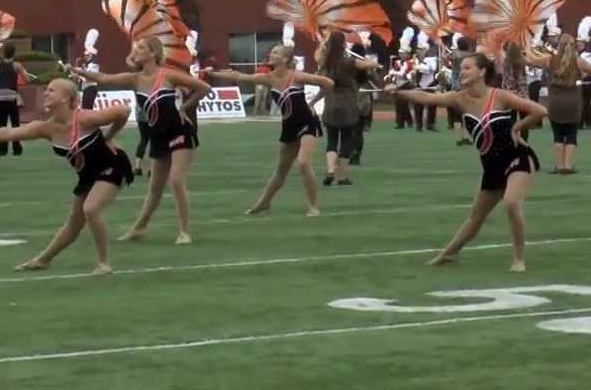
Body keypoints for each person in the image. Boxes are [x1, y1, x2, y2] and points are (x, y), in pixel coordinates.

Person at [386, 53, 546, 272]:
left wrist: (517, 128)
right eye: (461, 68)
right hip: (492, 167)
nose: (462, 71)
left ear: (482, 72)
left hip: (517, 158)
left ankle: (519, 259)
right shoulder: (458, 98)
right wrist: (400, 93)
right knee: (475, 218)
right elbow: (427, 98)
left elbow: (539, 111)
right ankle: (448, 254)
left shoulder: (499, 96)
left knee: (511, 202)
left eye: (468, 68)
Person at [0, 79, 133, 274]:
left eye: (52, 91)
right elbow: (12, 132)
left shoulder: (83, 119)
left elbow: (123, 111)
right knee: (74, 222)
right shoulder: (46, 127)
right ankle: (43, 260)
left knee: (91, 208)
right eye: (46, 90)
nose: (46, 93)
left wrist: (109, 135)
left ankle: (104, 263)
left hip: (112, 164)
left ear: (66, 98)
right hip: (87, 174)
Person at [69, 37, 210, 245]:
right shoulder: (134, 79)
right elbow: (104, 78)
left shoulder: (168, 75)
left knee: (177, 180)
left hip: (179, 131)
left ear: (153, 53)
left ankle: (184, 231)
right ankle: (139, 228)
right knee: (155, 188)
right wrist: (79, 71)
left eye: (141, 47)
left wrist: (183, 107)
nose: (137, 50)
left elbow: (204, 88)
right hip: (157, 135)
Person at [210, 45, 334, 217]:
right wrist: (213, 73)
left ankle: (313, 206)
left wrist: (312, 104)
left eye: (275, 53)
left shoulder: (297, 76)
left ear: (285, 59)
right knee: (281, 169)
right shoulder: (268, 78)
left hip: (307, 122)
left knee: (303, 163)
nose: (271, 54)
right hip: (289, 126)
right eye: (272, 52)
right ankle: (263, 203)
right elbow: (239, 76)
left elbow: (328, 83)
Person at [526, 33, 591, 175]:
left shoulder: (550, 59)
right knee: (571, 134)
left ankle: (559, 166)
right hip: (573, 102)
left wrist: (528, 48)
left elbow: (531, 60)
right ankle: (568, 166)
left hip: (555, 102)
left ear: (559, 46)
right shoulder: (578, 60)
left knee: (558, 135)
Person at [316, 32, 378, 186]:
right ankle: (341, 176)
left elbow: (318, 55)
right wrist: (366, 53)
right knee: (346, 141)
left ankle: (330, 171)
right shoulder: (349, 62)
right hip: (348, 105)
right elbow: (371, 64)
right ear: (343, 45)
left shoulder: (325, 62)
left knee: (331, 141)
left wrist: (322, 44)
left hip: (330, 104)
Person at [0, 44, 33, 157]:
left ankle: (2, 150)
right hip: (12, 97)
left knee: (2, 125)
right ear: (14, 53)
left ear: (4, 53)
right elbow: (28, 79)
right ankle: (16, 148)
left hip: (1, 97)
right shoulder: (16, 65)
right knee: (15, 124)